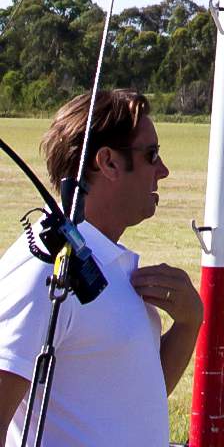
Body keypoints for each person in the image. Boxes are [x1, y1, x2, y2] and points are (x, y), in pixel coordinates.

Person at [0, 89, 201, 446]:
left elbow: (132, 399)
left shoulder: (110, 263)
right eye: (151, 155)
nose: (164, 171)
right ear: (107, 162)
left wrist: (188, 323)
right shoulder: (44, 270)